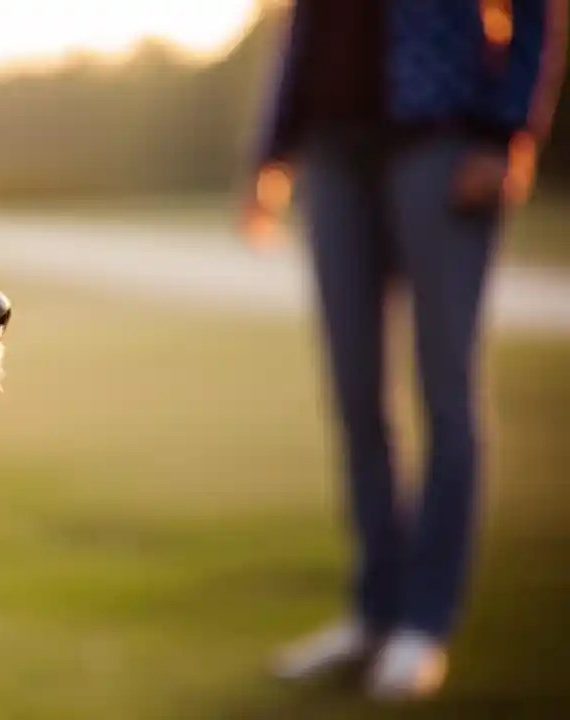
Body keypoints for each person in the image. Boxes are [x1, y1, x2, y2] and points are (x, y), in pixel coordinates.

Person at [243, 0, 566, 701]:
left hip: (441, 139)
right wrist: (269, 151)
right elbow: (306, 26)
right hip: (333, 148)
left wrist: (509, 133)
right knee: (357, 396)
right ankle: (374, 612)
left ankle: (424, 623)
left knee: (445, 392)